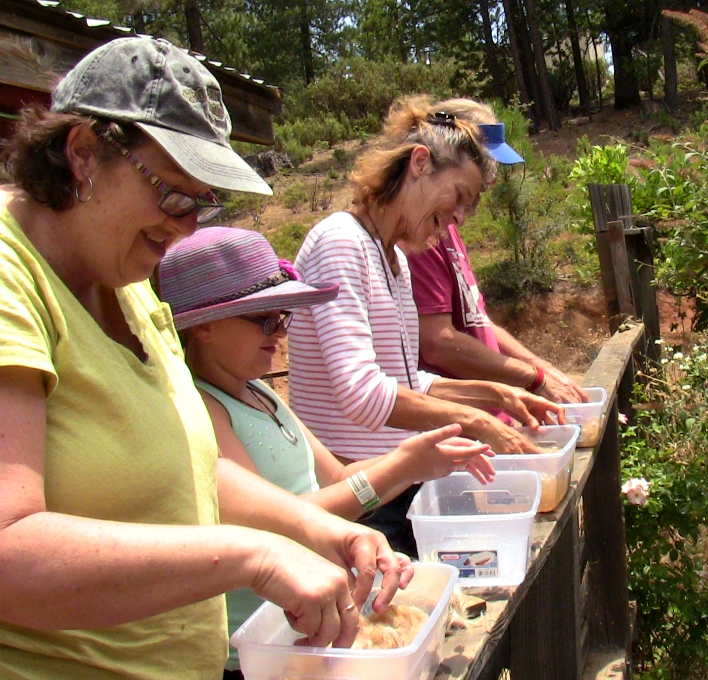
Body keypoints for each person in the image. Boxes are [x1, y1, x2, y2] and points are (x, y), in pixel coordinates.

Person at [0, 37, 406, 680]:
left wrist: (316, 529)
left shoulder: (127, 279)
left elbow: (196, 466)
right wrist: (256, 559)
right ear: (82, 154)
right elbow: (7, 551)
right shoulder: (10, 278)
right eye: (173, 194)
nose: (186, 227)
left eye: (202, 201)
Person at [158, 225, 496, 675]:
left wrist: (416, 462)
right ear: (203, 327)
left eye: (282, 316)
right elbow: (276, 522)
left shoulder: (261, 393)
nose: (279, 332)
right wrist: (403, 464)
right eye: (263, 319)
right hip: (260, 652)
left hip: (311, 626)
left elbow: (336, 481)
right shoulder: (202, 409)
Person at [288, 96, 565, 554]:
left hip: (394, 486)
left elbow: (406, 380)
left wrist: (495, 394)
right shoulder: (340, 243)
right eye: (458, 196)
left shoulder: (393, 256)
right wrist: (473, 417)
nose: (459, 217)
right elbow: (361, 394)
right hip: (357, 499)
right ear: (420, 163)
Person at [407, 102, 589, 405]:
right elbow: (437, 342)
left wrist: (541, 369)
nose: (491, 175)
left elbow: (478, 321)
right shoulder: (424, 238)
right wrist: (533, 378)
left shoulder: (447, 230)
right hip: (459, 426)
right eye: (484, 158)